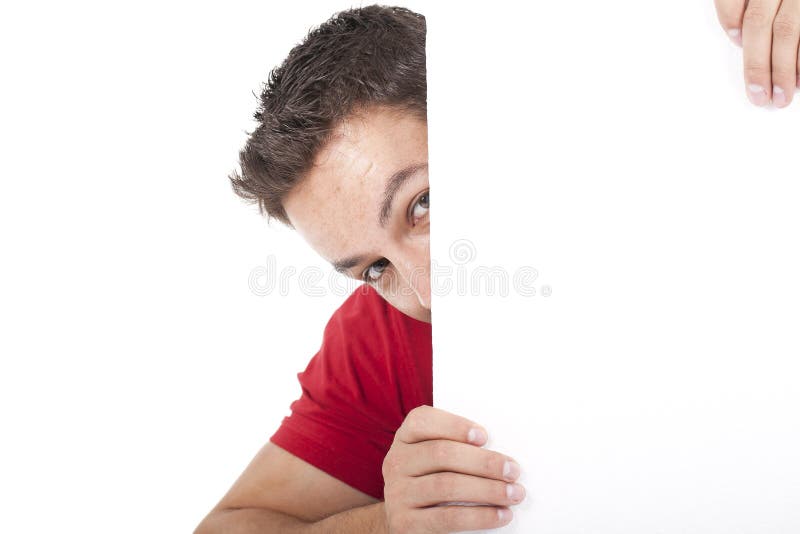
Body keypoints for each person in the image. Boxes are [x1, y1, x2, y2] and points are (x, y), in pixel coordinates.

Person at [195, 3, 800, 533]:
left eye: (423, 205)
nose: (429, 289)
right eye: (374, 267)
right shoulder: (383, 336)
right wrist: (384, 524)